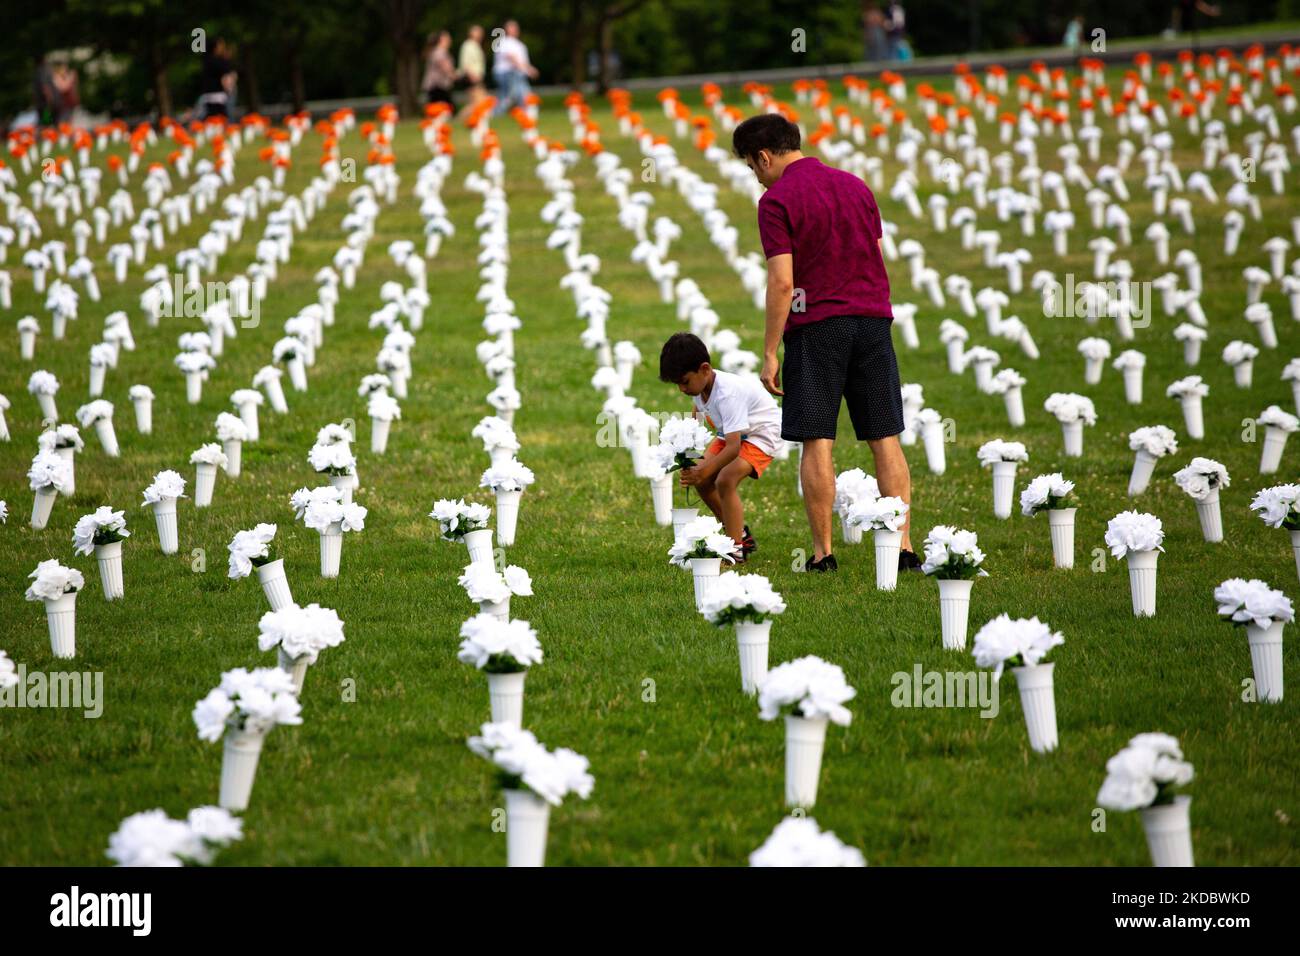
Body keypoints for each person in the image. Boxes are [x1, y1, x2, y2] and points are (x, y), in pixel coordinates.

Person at [733, 113, 915, 574]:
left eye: (752, 167)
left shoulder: (776, 201)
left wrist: (770, 351)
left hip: (817, 327)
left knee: (817, 439)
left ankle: (823, 554)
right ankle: (903, 547)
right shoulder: (856, 186)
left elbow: (782, 282)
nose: (756, 177)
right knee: (884, 436)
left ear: (763, 157)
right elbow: (876, 257)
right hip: (872, 319)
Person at [659, 332, 781, 561]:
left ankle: (735, 551)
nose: (682, 389)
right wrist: (689, 452)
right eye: (678, 384)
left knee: (725, 479)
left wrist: (703, 469)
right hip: (732, 433)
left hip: (762, 434)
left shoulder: (727, 394)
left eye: (684, 382)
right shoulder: (699, 386)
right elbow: (697, 414)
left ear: (705, 369)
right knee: (702, 480)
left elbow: (733, 448)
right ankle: (736, 533)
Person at [492, 20, 537, 115]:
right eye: (512, 27)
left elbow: (523, 61)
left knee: (513, 95)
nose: (515, 29)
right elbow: (511, 57)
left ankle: (525, 112)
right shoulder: (504, 42)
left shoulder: (519, 44)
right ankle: (495, 113)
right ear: (506, 29)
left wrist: (529, 68)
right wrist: (527, 69)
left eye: (515, 27)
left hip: (517, 73)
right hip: (507, 73)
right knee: (511, 96)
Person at [197, 38, 237, 120]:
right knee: (220, 120)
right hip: (217, 98)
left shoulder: (207, 60)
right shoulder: (216, 62)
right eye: (220, 46)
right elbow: (228, 75)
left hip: (210, 97)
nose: (222, 48)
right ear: (215, 48)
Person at [458, 25, 487, 114]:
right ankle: (460, 118)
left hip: (476, 77)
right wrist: (472, 76)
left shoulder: (476, 46)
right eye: (477, 32)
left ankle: (463, 118)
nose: (480, 34)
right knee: (478, 102)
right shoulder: (468, 45)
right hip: (471, 78)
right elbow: (465, 63)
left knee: (477, 102)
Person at [421, 31, 455, 107]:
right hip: (437, 86)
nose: (450, 40)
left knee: (440, 108)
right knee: (442, 109)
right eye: (448, 39)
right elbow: (446, 69)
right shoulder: (439, 52)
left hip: (438, 87)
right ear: (442, 40)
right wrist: (456, 76)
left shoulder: (438, 51)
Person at [49, 58, 80, 124]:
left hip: (69, 104)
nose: (65, 69)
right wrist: (70, 78)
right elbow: (64, 88)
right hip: (61, 106)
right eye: (63, 67)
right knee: (62, 123)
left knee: (68, 122)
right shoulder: (56, 77)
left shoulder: (64, 76)